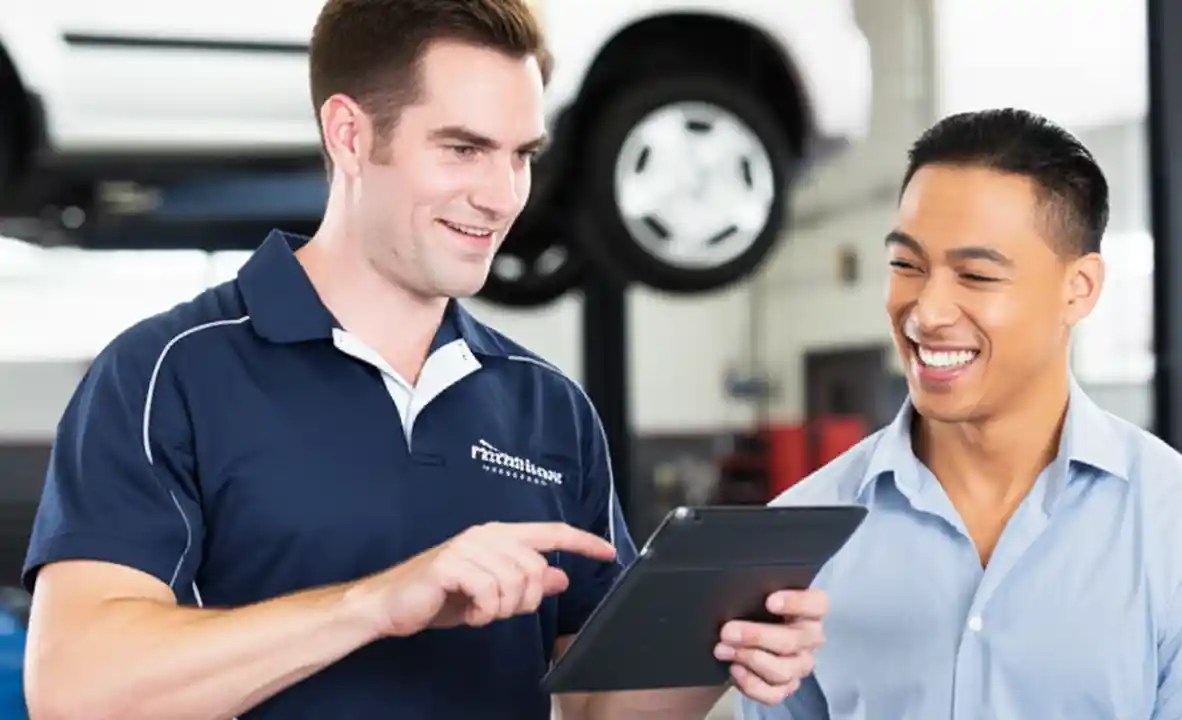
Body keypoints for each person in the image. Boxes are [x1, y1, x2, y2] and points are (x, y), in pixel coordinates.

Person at [20, 1, 828, 718]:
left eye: (521, 154)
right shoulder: (168, 373)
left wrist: (720, 648)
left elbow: (592, 709)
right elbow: (76, 690)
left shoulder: (546, 406)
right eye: (464, 149)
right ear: (350, 134)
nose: (504, 194)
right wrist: (379, 603)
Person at [739, 108, 1182, 719]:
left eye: (975, 274)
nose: (928, 311)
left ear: (1079, 289)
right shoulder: (799, 536)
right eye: (906, 266)